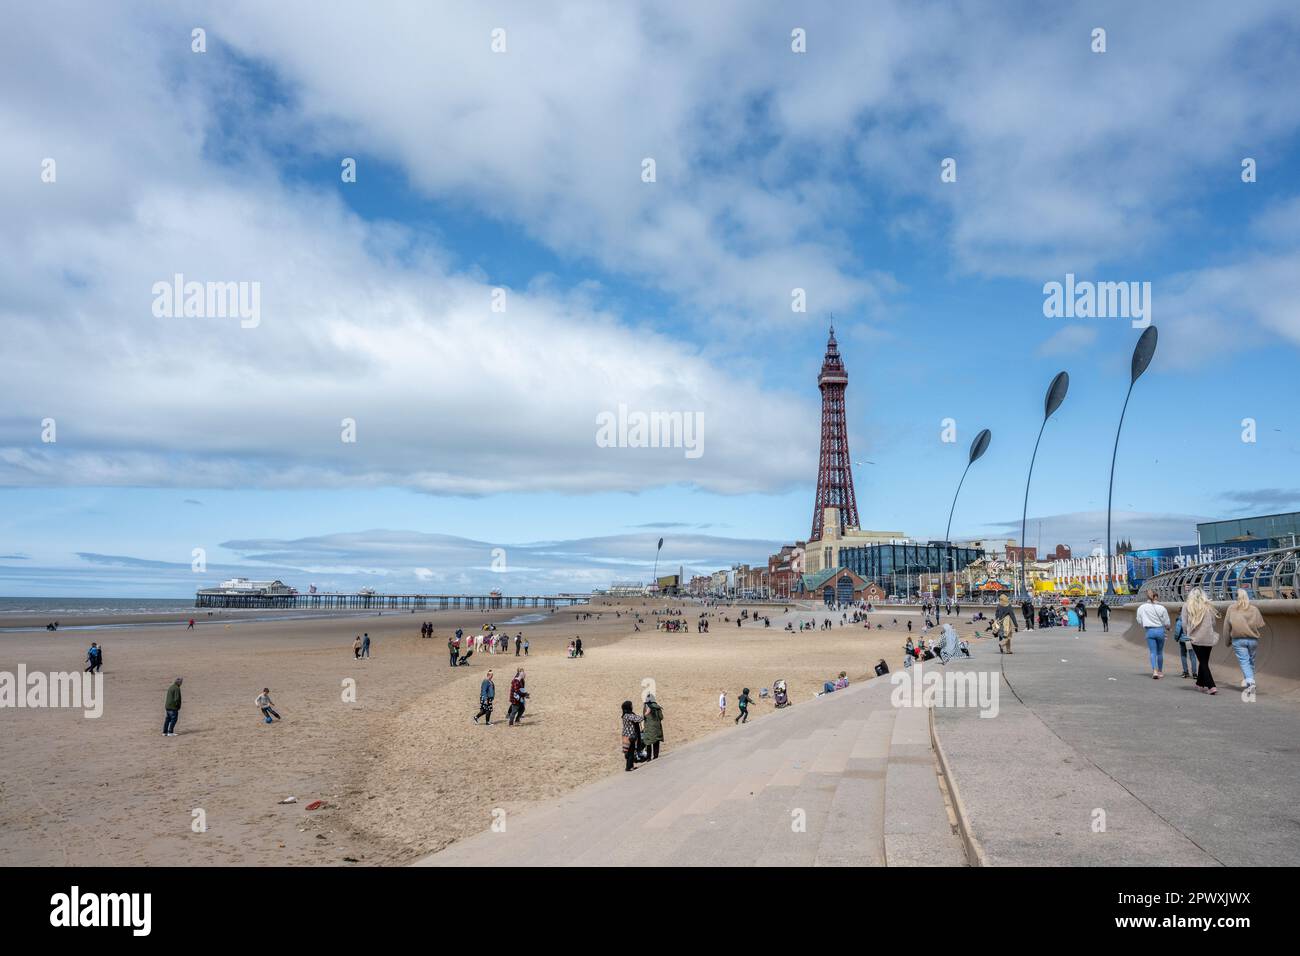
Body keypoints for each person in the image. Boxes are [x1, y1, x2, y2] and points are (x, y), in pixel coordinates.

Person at [1223, 588, 1265, 692]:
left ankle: (1250, 683)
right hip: (1253, 639)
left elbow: (1226, 627)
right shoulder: (1254, 609)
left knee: (1244, 661)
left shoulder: (1231, 608)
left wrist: (1227, 641)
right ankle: (1250, 682)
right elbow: (1260, 624)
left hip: (1238, 639)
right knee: (1251, 661)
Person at [1179, 588, 1219, 695]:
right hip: (1208, 637)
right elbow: (1213, 622)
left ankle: (1211, 686)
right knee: (1204, 661)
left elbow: (1184, 623)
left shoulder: (1187, 606)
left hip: (1195, 637)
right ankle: (1200, 684)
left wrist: (1186, 633)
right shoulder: (1208, 606)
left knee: (1203, 662)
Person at [1135, 590, 1172, 678]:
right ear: (1156, 597)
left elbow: (1139, 619)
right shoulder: (1162, 608)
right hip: (1160, 631)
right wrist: (1167, 627)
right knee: (1160, 652)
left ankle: (1154, 671)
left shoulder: (1142, 607)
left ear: (1146, 597)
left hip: (1149, 631)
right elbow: (1167, 622)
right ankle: (1160, 671)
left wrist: (1144, 624)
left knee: (1152, 652)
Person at [621, 700, 644, 771]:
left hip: (626, 735)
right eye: (631, 705)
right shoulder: (628, 715)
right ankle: (629, 767)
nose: (632, 706)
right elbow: (638, 719)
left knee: (630, 751)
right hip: (630, 736)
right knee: (631, 751)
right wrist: (645, 714)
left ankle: (630, 766)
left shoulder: (625, 715)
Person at [1174, 613, 1198, 680]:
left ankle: (1185, 672)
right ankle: (1194, 673)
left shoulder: (1180, 620)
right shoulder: (1194, 619)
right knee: (1192, 656)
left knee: (1183, 655)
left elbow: (1177, 631)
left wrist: (1176, 638)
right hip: (1190, 640)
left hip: (1183, 641)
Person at [641, 693, 664, 759]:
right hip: (657, 727)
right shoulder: (657, 707)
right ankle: (655, 756)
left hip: (648, 727)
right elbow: (661, 717)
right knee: (656, 741)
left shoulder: (645, 707)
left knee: (648, 742)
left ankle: (648, 757)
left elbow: (644, 717)